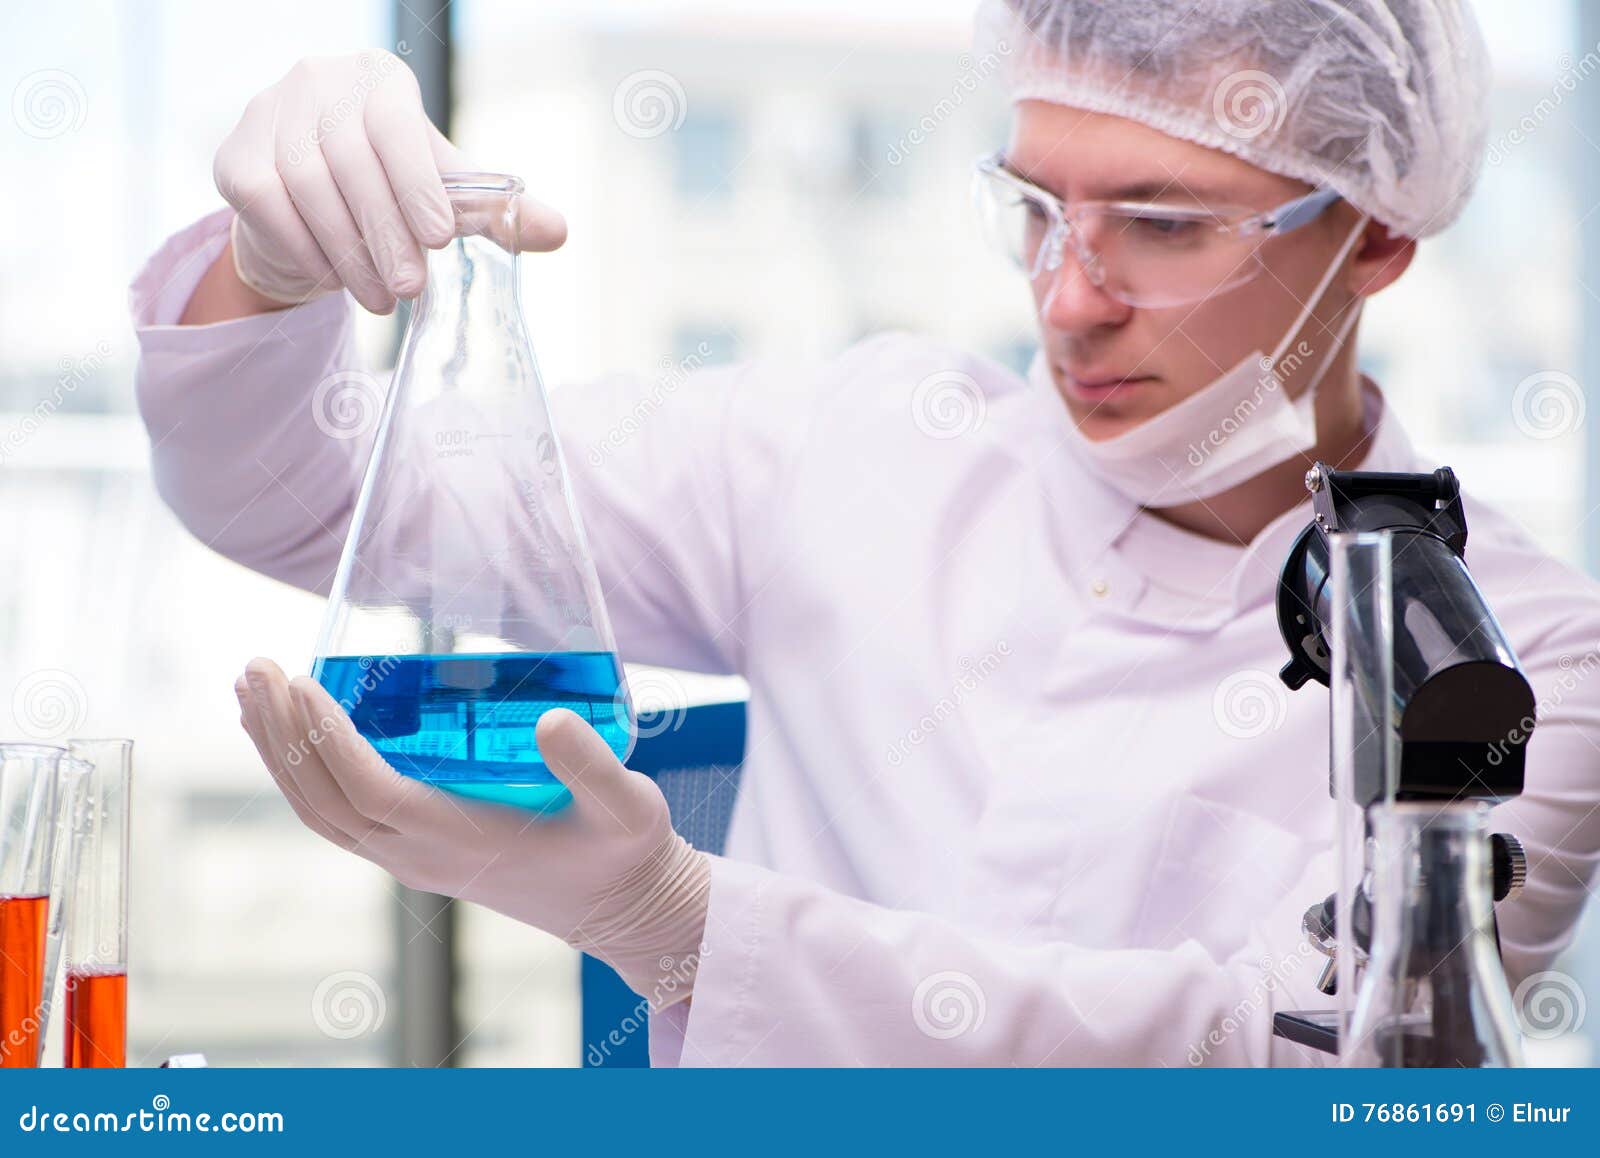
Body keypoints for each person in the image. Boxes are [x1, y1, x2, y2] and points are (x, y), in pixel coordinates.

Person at [133, 0, 1600, 1065]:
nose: (1067, 299)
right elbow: (307, 496)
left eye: (1161, 225)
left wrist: (679, 922)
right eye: (1036, 208)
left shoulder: (1523, 659)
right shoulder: (857, 447)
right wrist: (270, 274)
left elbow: (1311, 1069)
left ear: (1376, 234)